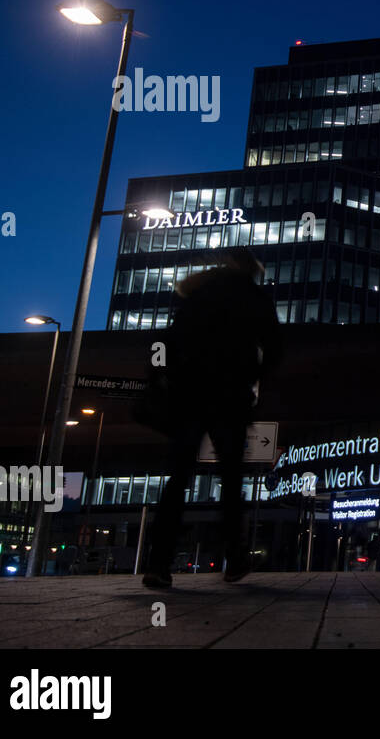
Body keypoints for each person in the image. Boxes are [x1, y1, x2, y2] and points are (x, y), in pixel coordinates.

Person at [143, 248, 282, 589]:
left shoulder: (200, 293)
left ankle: (159, 564)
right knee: (231, 477)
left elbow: (169, 342)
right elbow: (275, 346)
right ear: (250, 269)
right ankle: (234, 558)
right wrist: (255, 380)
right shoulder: (254, 298)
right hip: (230, 396)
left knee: (178, 478)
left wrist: (161, 378)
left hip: (189, 394)